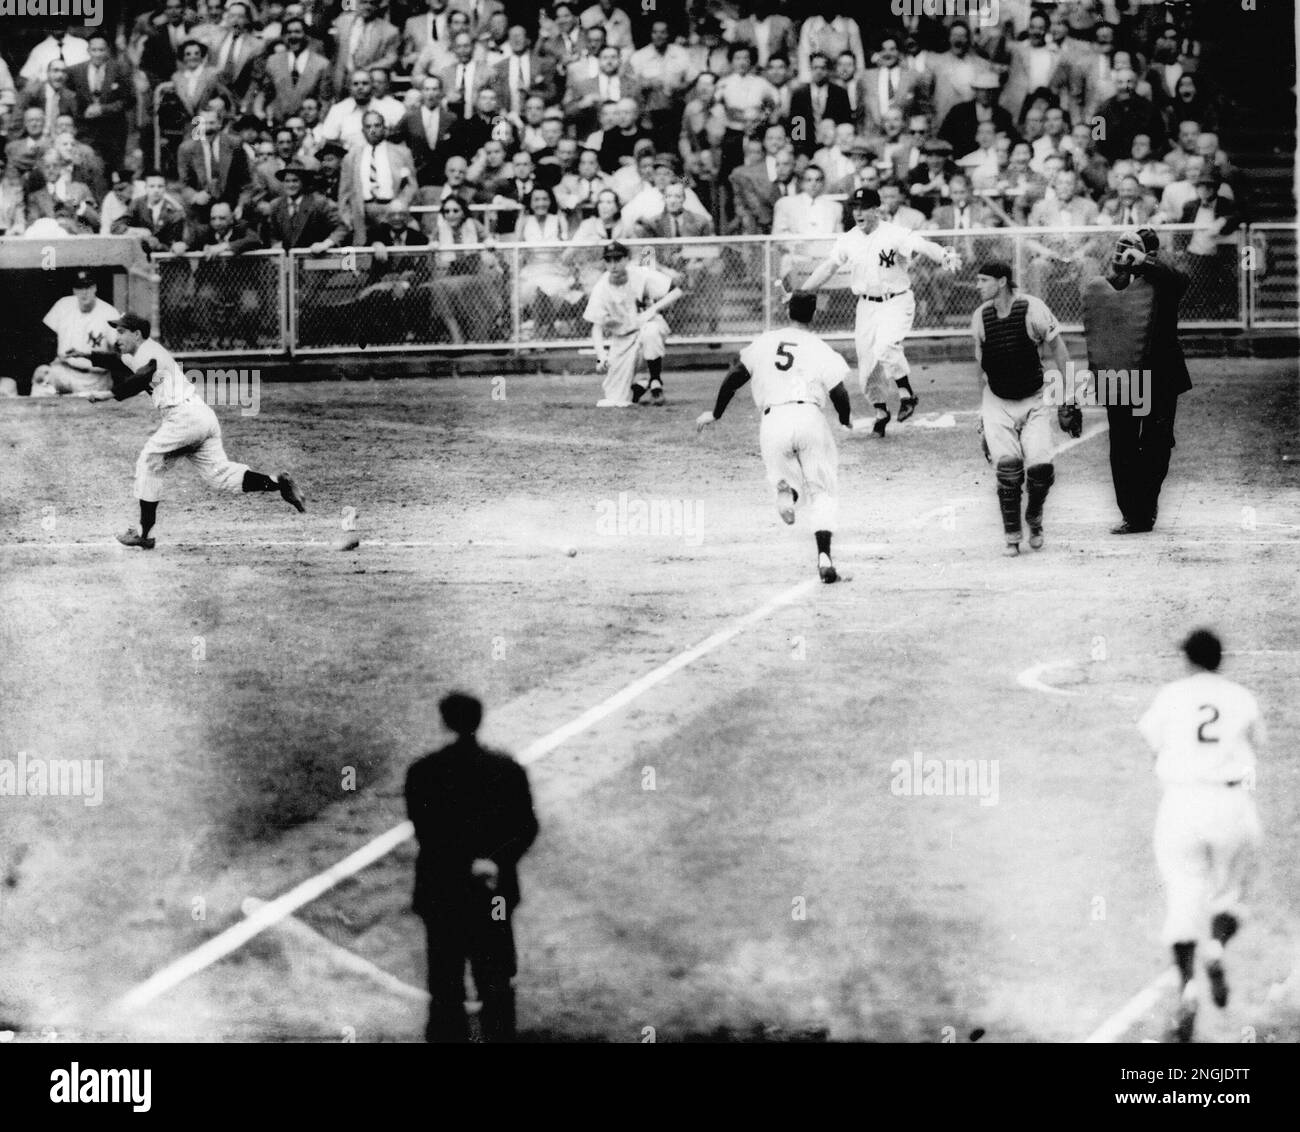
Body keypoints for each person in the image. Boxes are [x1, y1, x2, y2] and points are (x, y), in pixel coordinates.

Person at [79, 313, 305, 548]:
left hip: (183, 419)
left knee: (149, 461)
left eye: (121, 331)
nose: (117, 337)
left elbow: (142, 376)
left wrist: (109, 394)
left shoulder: (148, 352)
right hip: (201, 416)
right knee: (220, 476)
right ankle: (277, 482)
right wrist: (86, 355)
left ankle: (145, 534)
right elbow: (118, 361)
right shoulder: (141, 352)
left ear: (137, 334)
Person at [1137, 629, 1264, 1043]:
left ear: (1188, 659)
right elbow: (1257, 743)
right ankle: (1217, 948)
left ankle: (1188, 989)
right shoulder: (1240, 697)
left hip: (1182, 805)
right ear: (1220, 659)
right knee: (1230, 896)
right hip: (1231, 805)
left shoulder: (1171, 696)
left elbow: (1153, 744)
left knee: (1182, 898)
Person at [405, 691, 539, 1043]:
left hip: (442, 892)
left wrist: (462, 863)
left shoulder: (423, 772)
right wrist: (494, 861)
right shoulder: (507, 769)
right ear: (479, 720)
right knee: (496, 980)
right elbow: (526, 827)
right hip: (494, 895)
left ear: (444, 721)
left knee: (444, 984)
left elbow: (426, 832)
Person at [696, 289, 853, 584]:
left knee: (788, 480)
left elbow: (734, 377)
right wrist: (845, 419)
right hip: (809, 417)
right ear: (814, 314)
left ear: (787, 311)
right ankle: (824, 557)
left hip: (773, 420)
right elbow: (839, 392)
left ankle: (788, 494)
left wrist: (716, 413)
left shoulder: (766, 341)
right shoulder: (819, 346)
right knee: (821, 492)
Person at [800, 186, 961, 436]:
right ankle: (881, 411)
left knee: (886, 346)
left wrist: (945, 256)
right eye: (855, 208)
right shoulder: (848, 239)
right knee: (867, 365)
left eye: (864, 208)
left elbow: (922, 245)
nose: (858, 213)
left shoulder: (894, 233)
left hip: (896, 300)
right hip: (867, 305)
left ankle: (907, 394)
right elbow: (828, 267)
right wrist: (802, 291)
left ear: (876, 210)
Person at [1081, 229, 1191, 534]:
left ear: (1149, 253)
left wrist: (1145, 262)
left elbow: (1181, 281)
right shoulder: (1110, 285)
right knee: (1123, 444)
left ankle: (1146, 503)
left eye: (1133, 248)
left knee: (1157, 443)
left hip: (1160, 374)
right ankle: (1133, 514)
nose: (1124, 253)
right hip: (1121, 376)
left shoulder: (1164, 280)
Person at [969, 261, 1077, 557]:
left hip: (1034, 398)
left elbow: (1059, 349)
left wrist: (1070, 395)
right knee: (1007, 469)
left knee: (1041, 469)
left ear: (1002, 281)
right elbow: (981, 367)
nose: (978, 286)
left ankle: (1035, 516)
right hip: (997, 401)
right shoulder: (980, 317)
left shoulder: (1032, 308)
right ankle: (1012, 535)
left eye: (984, 280)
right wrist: (982, 411)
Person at [583, 241, 681, 408]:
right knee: (616, 399)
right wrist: (601, 355)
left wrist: (653, 309)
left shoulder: (640, 275)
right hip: (622, 339)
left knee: (651, 331)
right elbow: (596, 327)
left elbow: (676, 291)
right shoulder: (601, 287)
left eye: (617, 259)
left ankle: (655, 380)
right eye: (609, 260)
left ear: (626, 259)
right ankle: (641, 385)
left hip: (646, 327)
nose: (613, 265)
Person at [31, 271, 121, 397]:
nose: (84, 292)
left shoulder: (109, 313)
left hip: (95, 378)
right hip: (64, 370)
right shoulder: (63, 305)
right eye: (80, 288)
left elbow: (119, 351)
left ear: (95, 288)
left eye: (88, 287)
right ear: (74, 290)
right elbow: (46, 337)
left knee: (88, 407)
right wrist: (43, 364)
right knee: (39, 387)